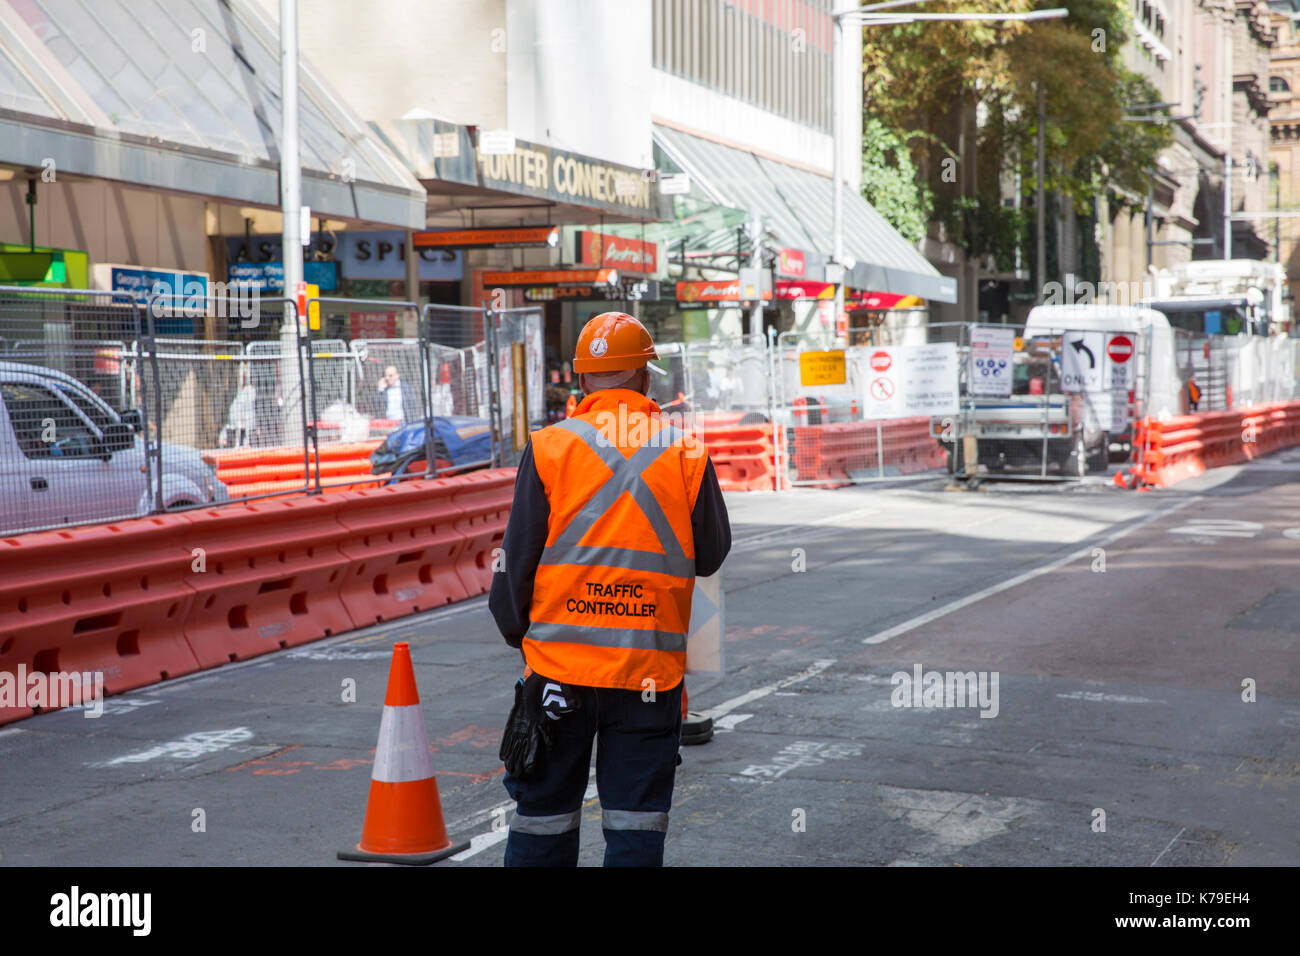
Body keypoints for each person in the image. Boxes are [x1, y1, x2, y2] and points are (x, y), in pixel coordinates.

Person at [489, 311, 731, 867]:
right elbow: (712, 552)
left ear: (580, 381)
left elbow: (516, 560)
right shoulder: (686, 452)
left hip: (560, 673)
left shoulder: (550, 447)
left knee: (543, 818)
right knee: (635, 822)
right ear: (646, 378)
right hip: (647, 674)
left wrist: (522, 637)